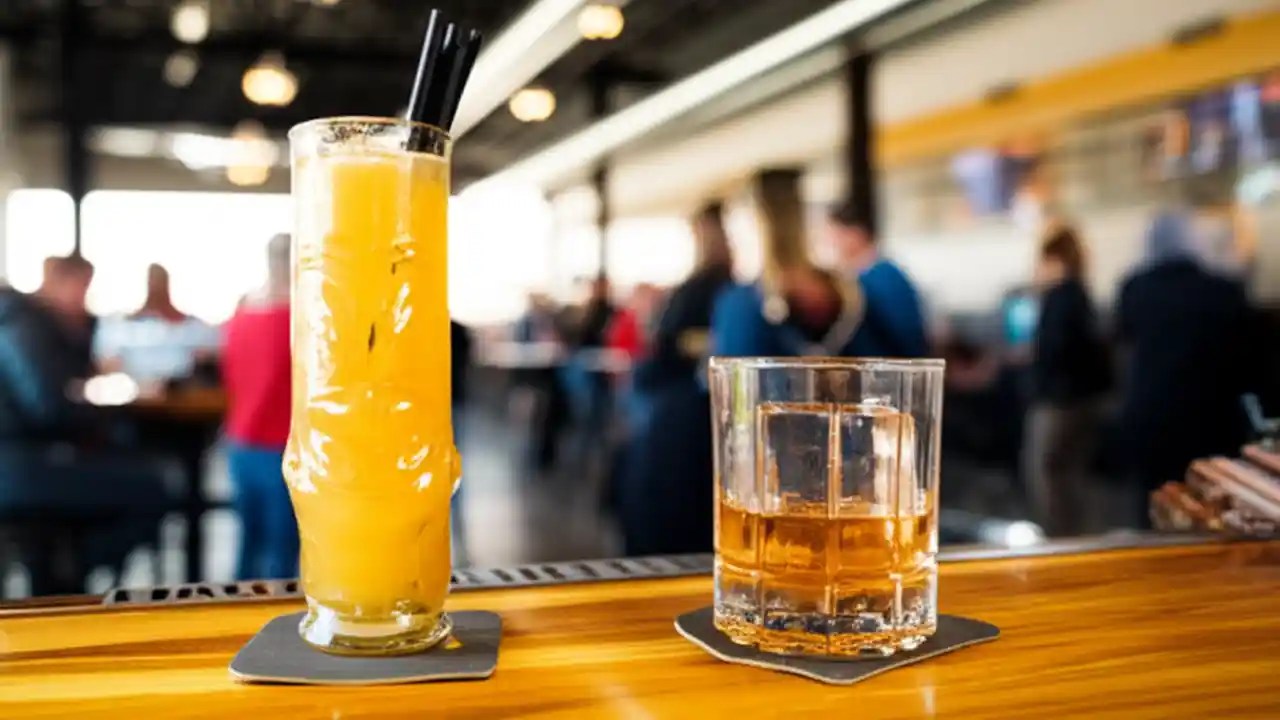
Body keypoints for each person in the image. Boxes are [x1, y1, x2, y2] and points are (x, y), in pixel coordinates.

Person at [0, 255, 174, 594]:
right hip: (23, 467)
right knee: (155, 486)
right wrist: (99, 416)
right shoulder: (26, 327)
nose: (84, 299)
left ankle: (66, 574)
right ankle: (73, 578)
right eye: (82, 289)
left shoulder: (29, 323)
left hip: (28, 459)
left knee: (134, 471)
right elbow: (49, 408)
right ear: (58, 283)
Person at [1117, 210, 1259, 525]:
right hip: (1210, 424)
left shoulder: (1134, 289)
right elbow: (1248, 363)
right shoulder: (1223, 291)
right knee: (1216, 517)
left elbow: (1124, 339)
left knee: (1154, 513)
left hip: (1150, 420)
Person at [619, 201, 738, 556]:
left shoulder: (705, 286)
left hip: (677, 405)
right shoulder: (725, 286)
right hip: (690, 402)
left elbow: (670, 343)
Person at [1023, 224, 1110, 536]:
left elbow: (1052, 350)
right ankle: (1079, 538)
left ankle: (1058, 540)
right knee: (1072, 474)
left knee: (1044, 472)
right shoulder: (1081, 295)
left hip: (1058, 400)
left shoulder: (1059, 298)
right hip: (1084, 399)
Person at [221, 234, 298, 580]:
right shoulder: (299, 319)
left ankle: (234, 628)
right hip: (281, 447)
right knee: (281, 556)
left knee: (248, 547)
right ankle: (276, 629)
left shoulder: (243, 311)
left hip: (240, 443)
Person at [826, 201, 930, 358]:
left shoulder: (883, 278)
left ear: (856, 234)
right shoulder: (860, 277)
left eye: (837, 235)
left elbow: (905, 336)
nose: (833, 243)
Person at [95, 263, 219, 385]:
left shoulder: (194, 329)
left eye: (160, 283)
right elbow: (107, 363)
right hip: (132, 396)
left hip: (182, 395)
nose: (156, 288)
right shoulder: (122, 329)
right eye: (152, 283)